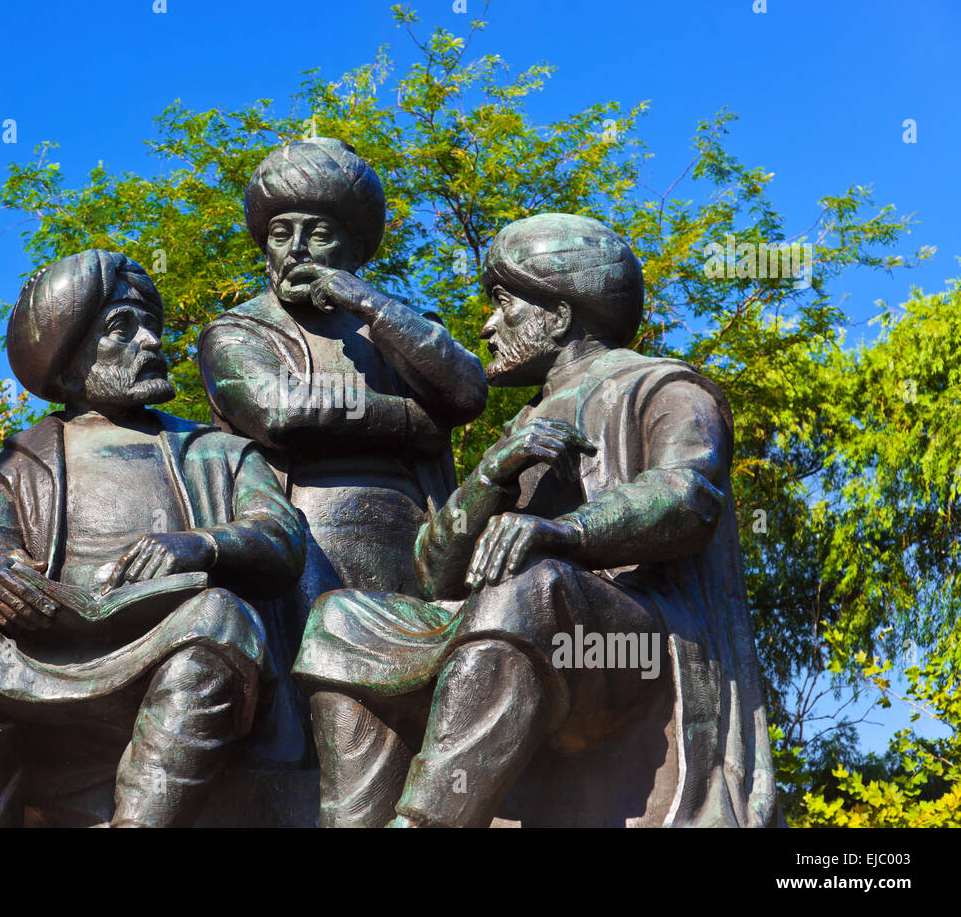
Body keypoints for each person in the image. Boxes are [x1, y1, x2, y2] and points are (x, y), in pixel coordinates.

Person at [294, 213, 776, 827]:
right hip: (516, 625)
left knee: (529, 584)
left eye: (503, 304)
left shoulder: (664, 387)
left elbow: (686, 497)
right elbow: (434, 577)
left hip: (635, 645)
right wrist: (490, 476)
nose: (489, 325)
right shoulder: (519, 428)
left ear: (558, 314)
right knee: (342, 619)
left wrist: (563, 533)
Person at [0, 249, 305, 827]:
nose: (150, 341)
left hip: (168, 649)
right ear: (69, 363)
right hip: (48, 650)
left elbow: (280, 538)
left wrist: (201, 545)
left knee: (221, 617)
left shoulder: (218, 452)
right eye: (123, 328)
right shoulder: (22, 460)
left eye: (153, 325)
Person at [197, 138, 487, 763]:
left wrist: (364, 300)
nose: (296, 251)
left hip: (419, 538)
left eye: (319, 234)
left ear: (356, 248)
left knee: (417, 713)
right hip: (304, 537)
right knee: (328, 713)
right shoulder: (238, 329)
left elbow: (466, 391)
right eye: (280, 234)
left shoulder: (392, 324)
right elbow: (282, 412)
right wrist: (412, 421)